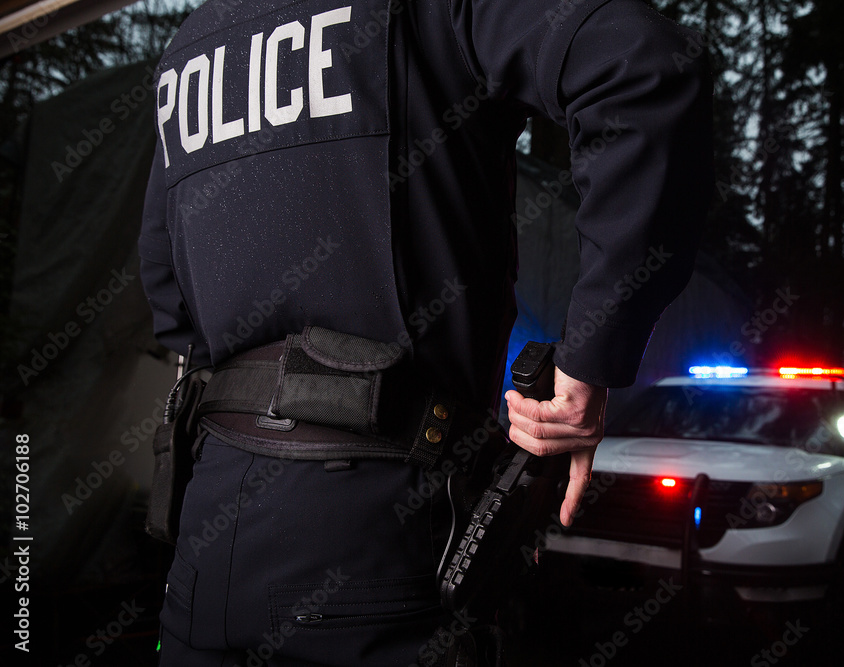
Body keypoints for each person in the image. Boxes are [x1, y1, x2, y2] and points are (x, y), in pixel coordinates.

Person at [139, 0, 713, 664]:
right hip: (378, 523)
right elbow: (642, 66)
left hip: (207, 532)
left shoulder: (191, 46)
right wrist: (590, 356)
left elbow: (167, 286)